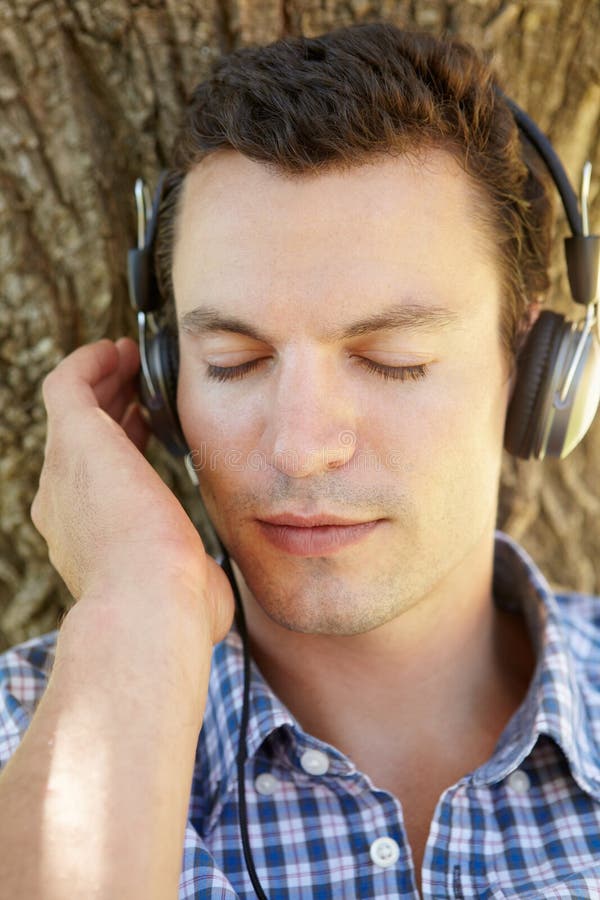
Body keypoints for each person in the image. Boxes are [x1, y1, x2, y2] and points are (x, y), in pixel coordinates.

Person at [1, 21, 599, 900]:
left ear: (540, 371)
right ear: (163, 385)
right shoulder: (24, 740)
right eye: (233, 364)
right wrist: (139, 603)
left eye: (392, 359)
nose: (300, 447)